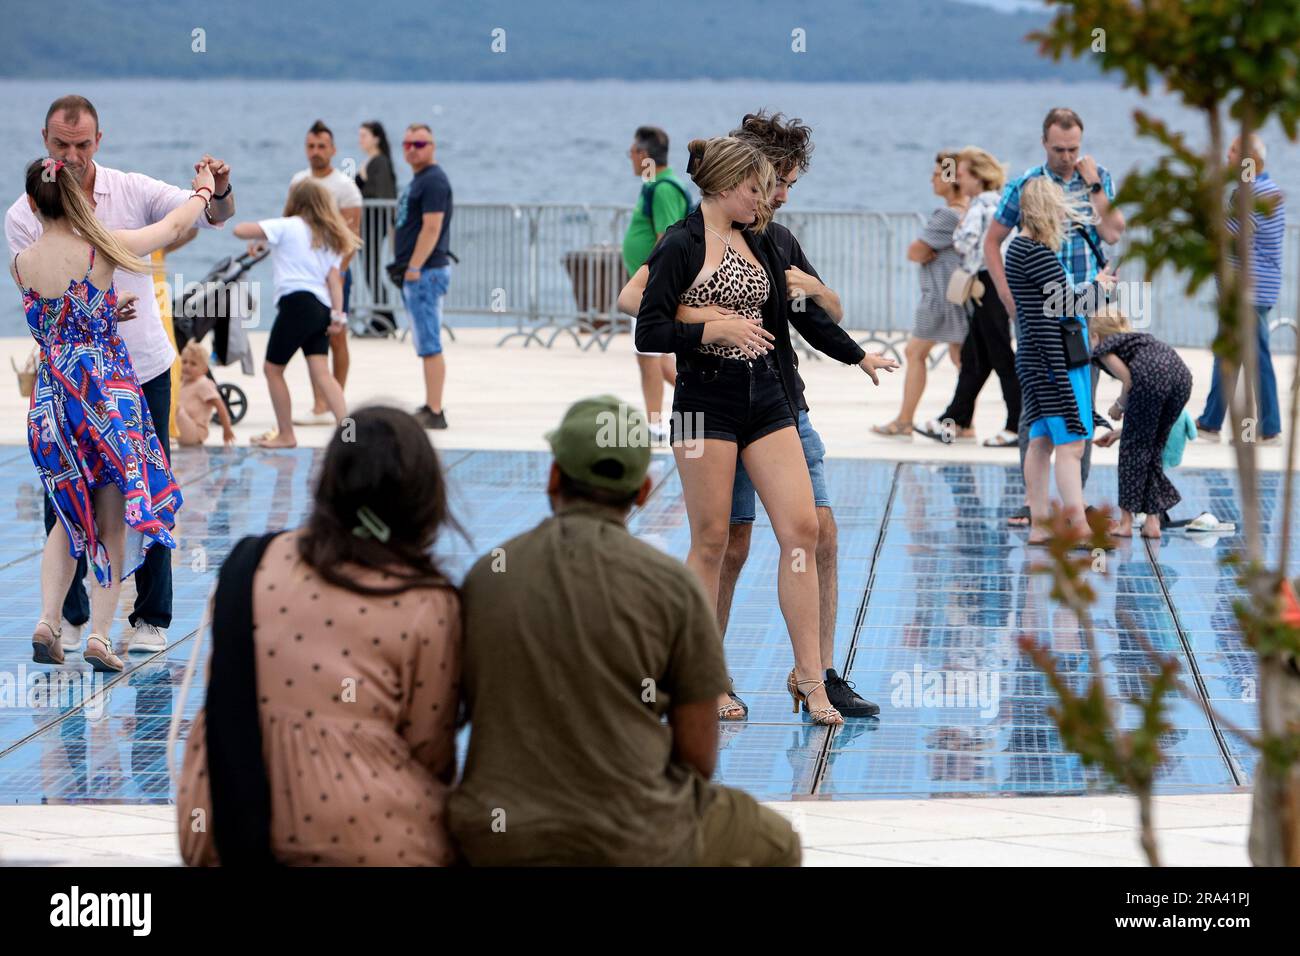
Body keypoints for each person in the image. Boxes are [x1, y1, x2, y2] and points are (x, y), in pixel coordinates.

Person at [617, 111, 892, 718]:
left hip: (771, 399)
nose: (774, 196)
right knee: (717, 542)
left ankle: (813, 677)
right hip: (702, 404)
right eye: (767, 184)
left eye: (779, 185)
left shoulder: (769, 240)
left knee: (808, 530)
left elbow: (811, 316)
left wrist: (856, 354)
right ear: (732, 180)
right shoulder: (684, 240)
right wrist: (708, 324)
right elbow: (643, 315)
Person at [447, 396, 800, 866]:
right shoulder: (672, 587)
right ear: (643, 491)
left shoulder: (490, 575)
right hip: (632, 834)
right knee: (775, 842)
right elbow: (698, 757)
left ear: (554, 478)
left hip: (501, 834)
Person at [176, 406, 463, 866]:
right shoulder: (427, 603)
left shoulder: (252, 563)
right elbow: (431, 753)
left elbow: (223, 696)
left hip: (233, 833)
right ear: (421, 498)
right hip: (378, 844)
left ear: (329, 481)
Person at [5, 94, 236, 656]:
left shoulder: (22, 255)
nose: (76, 154)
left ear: (38, 207)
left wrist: (217, 200)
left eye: (83, 144)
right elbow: (181, 222)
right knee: (120, 506)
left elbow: (56, 311)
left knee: (65, 508)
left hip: (57, 396)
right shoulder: (99, 247)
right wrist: (203, 186)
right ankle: (102, 634)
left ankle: (51, 618)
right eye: (64, 146)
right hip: (107, 392)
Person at [983, 108, 1126, 526]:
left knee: (1082, 403)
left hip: (1087, 311)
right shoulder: (1026, 184)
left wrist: (1094, 181)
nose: (1067, 156)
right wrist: (1007, 297)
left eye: (1074, 149)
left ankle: (1073, 501)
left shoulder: (1096, 179)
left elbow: (1113, 232)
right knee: (1037, 411)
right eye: (1059, 149)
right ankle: (1036, 505)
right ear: (1044, 143)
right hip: (1041, 312)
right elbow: (994, 241)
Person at [1007, 177, 1117, 545]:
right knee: (1072, 444)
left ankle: (1040, 525)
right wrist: (1100, 287)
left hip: (1036, 356)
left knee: (1040, 441)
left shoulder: (1017, 250)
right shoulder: (1037, 253)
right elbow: (1069, 304)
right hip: (1055, 361)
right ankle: (1080, 527)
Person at [233, 178, 359, 448]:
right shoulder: (328, 237)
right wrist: (339, 317)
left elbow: (239, 229)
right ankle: (349, 433)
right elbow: (335, 280)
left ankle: (286, 434)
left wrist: (262, 236)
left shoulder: (287, 225)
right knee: (322, 373)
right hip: (323, 308)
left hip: (297, 304)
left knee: (273, 369)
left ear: (295, 202)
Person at [916, 146, 1021, 448]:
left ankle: (1017, 424)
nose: (958, 181)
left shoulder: (979, 207)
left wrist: (959, 229)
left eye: (961, 175)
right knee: (976, 358)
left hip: (988, 284)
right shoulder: (1000, 202)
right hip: (995, 283)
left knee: (1000, 356)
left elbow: (964, 243)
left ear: (977, 176)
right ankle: (954, 420)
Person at [1195, 133, 1285, 446]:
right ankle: (1210, 422)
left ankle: (1269, 427)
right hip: (1253, 286)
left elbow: (1230, 236)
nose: (1227, 159)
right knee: (1228, 354)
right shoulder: (1261, 190)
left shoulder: (1253, 194)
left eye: (1232, 153)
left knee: (1255, 355)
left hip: (1248, 289)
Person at [873, 151, 969, 439]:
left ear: (951, 178)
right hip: (958, 297)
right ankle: (965, 423)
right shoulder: (966, 212)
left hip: (940, 298)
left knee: (915, 352)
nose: (932, 179)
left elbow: (915, 251)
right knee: (960, 357)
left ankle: (904, 420)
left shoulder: (948, 215)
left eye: (937, 174)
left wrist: (927, 251)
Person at [1091, 307, 1193, 539]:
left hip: (1151, 380)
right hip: (1181, 379)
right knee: (1153, 449)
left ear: (1096, 335)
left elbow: (1129, 380)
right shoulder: (1138, 340)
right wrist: (1120, 433)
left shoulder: (1104, 347)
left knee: (1133, 452)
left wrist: (1118, 408)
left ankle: (1125, 523)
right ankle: (1152, 522)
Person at [287, 120, 364, 427]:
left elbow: (351, 238)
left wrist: (336, 276)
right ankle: (320, 403)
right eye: (311, 146)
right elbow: (288, 223)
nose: (316, 152)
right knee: (312, 341)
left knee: (338, 338)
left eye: (321, 147)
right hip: (305, 276)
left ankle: (336, 400)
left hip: (335, 275)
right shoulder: (299, 182)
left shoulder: (345, 188)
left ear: (333, 150)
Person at [622, 126, 690, 437]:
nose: (630, 157)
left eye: (633, 151)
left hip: (652, 291)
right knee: (657, 360)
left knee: (647, 355)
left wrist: (653, 286)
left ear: (644, 155)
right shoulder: (652, 186)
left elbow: (667, 241)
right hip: (647, 288)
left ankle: (655, 424)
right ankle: (700, 400)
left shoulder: (664, 189)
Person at [393, 123, 454, 430]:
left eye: (419, 143)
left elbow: (432, 227)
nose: (412, 149)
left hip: (426, 273)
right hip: (420, 272)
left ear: (432, 146)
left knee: (429, 341)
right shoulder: (420, 180)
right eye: (406, 144)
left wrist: (414, 266)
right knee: (424, 340)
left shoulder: (433, 181)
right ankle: (430, 403)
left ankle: (435, 409)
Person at [355, 121, 398, 328]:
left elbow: (382, 195)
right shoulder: (373, 161)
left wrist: (362, 180)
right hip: (370, 222)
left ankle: (384, 319)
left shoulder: (379, 162)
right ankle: (383, 317)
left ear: (376, 138)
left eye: (364, 135)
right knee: (369, 269)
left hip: (374, 222)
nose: (361, 139)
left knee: (371, 269)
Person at [176, 341, 236, 447]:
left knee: (175, 407)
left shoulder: (203, 384)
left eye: (193, 364)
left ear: (204, 370)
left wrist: (227, 430)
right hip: (183, 431)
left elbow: (220, 406)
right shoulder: (183, 382)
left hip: (195, 432)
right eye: (184, 362)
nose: (187, 366)